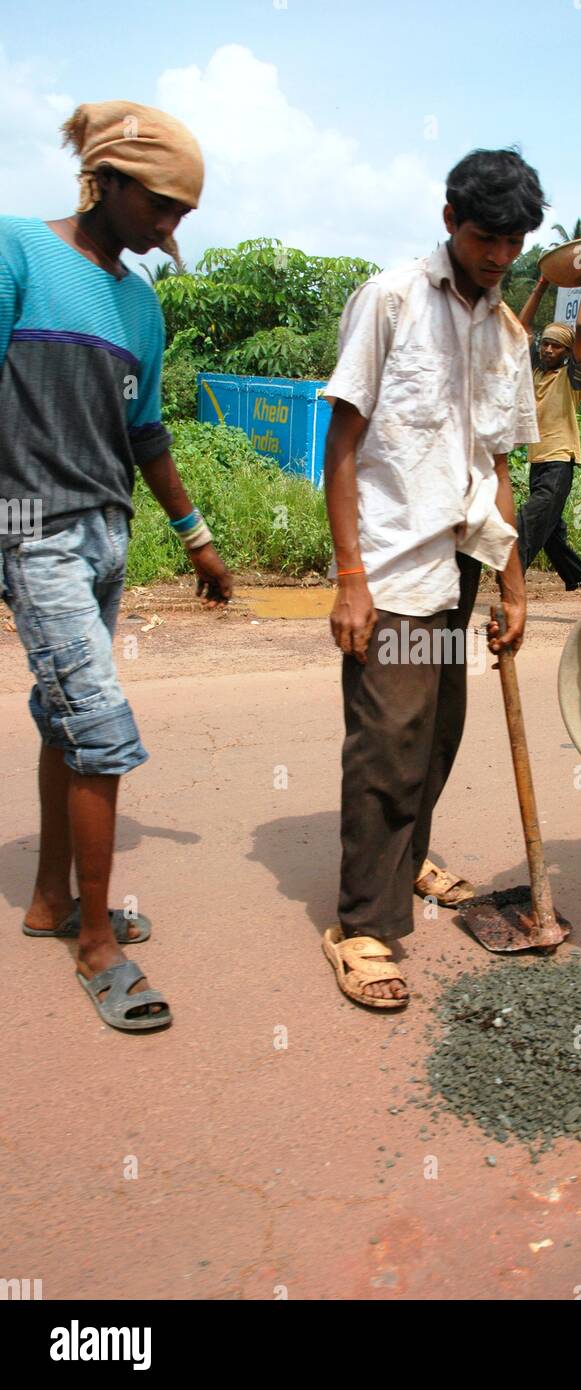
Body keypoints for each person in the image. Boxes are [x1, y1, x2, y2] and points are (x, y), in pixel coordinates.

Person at [0, 102, 232, 1032]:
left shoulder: (141, 303)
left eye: (181, 214)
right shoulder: (18, 252)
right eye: (160, 205)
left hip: (106, 534)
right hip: (32, 530)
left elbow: (144, 432)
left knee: (65, 719)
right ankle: (99, 942)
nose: (167, 227)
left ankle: (54, 899)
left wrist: (196, 535)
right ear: (108, 179)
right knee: (100, 724)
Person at [322, 148, 543, 1008]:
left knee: (439, 732)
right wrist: (348, 578)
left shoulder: (508, 333)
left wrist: (516, 583)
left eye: (514, 242)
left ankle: (406, 863)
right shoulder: (390, 300)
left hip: (461, 563)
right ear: (450, 220)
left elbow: (497, 465)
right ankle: (361, 927)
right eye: (487, 237)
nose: (498, 256)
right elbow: (341, 446)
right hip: (387, 562)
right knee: (388, 743)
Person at [516, 270, 581, 603]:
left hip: (559, 460)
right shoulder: (535, 371)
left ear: (567, 352)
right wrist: (541, 285)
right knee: (551, 536)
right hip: (539, 462)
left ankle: (512, 592)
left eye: (556, 345)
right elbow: (520, 329)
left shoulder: (572, 378)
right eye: (547, 343)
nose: (548, 349)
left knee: (525, 523)